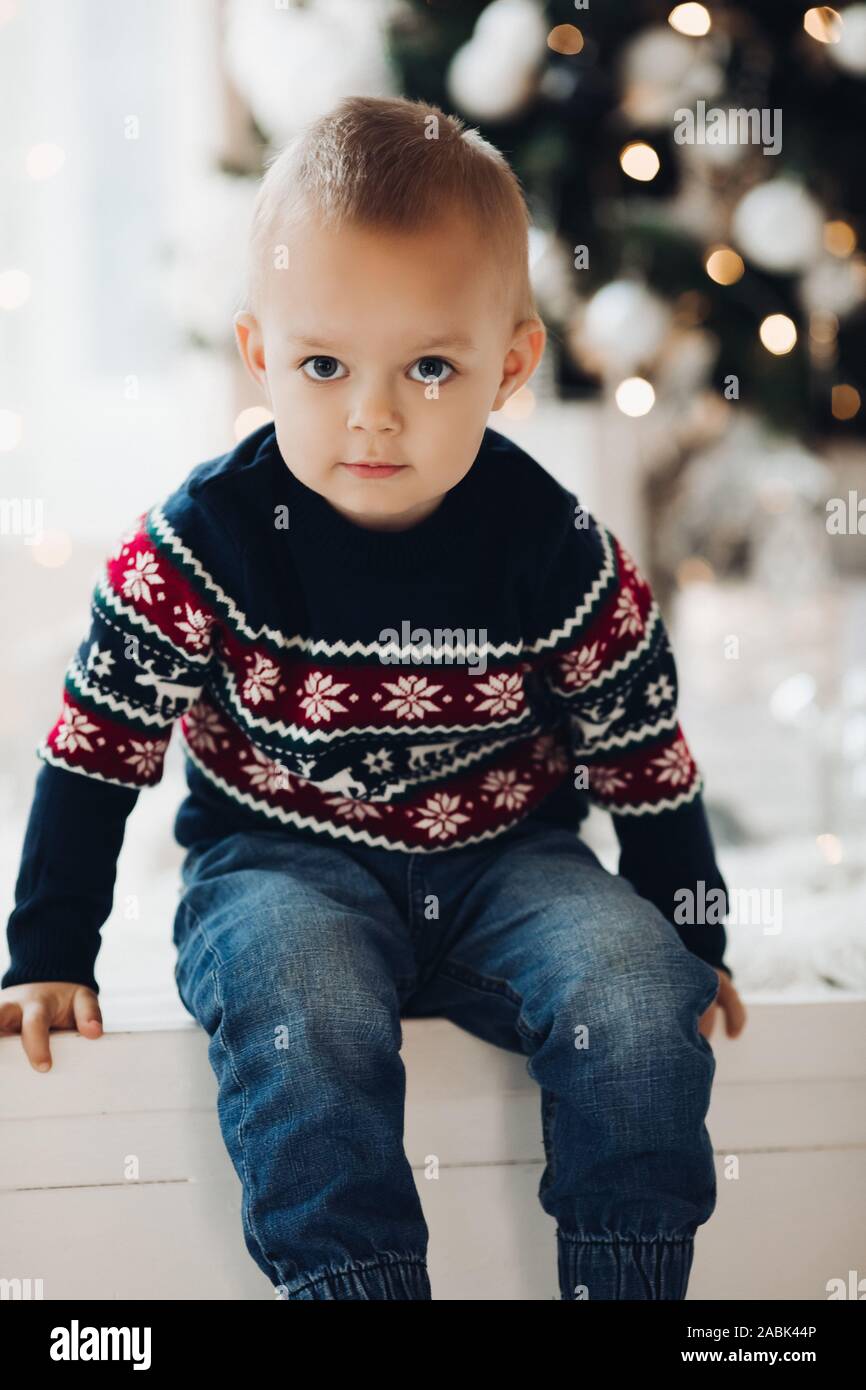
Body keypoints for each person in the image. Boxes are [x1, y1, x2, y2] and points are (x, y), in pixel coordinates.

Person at [0, 94, 746, 1301]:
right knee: (298, 992)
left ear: (508, 365)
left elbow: (643, 758)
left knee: (627, 978)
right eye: (324, 364)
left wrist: (687, 940)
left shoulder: (555, 551)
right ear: (258, 353)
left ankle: (627, 1284)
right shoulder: (200, 548)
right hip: (279, 864)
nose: (373, 413)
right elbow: (95, 752)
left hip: (511, 867)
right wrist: (46, 952)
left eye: (430, 366)